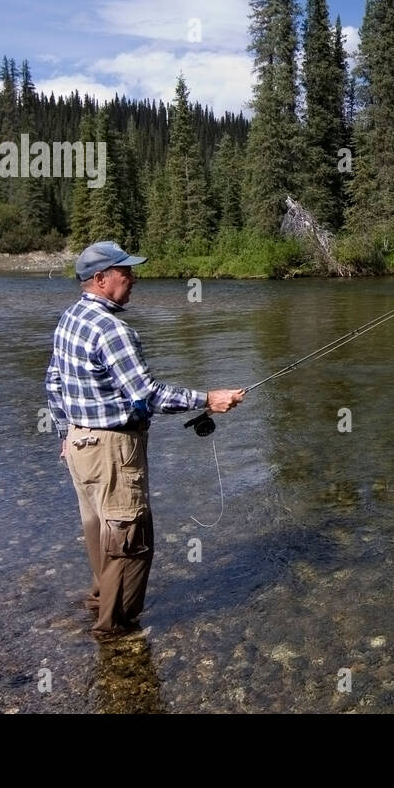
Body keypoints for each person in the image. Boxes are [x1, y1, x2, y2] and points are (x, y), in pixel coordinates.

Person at [45, 241, 244, 638]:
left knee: (100, 531)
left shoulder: (71, 318)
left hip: (81, 448)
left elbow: (52, 381)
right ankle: (115, 629)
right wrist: (209, 399)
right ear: (101, 279)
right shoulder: (112, 329)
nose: (133, 279)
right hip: (113, 450)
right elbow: (147, 394)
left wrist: (65, 432)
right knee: (130, 537)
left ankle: (102, 602)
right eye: (126, 272)